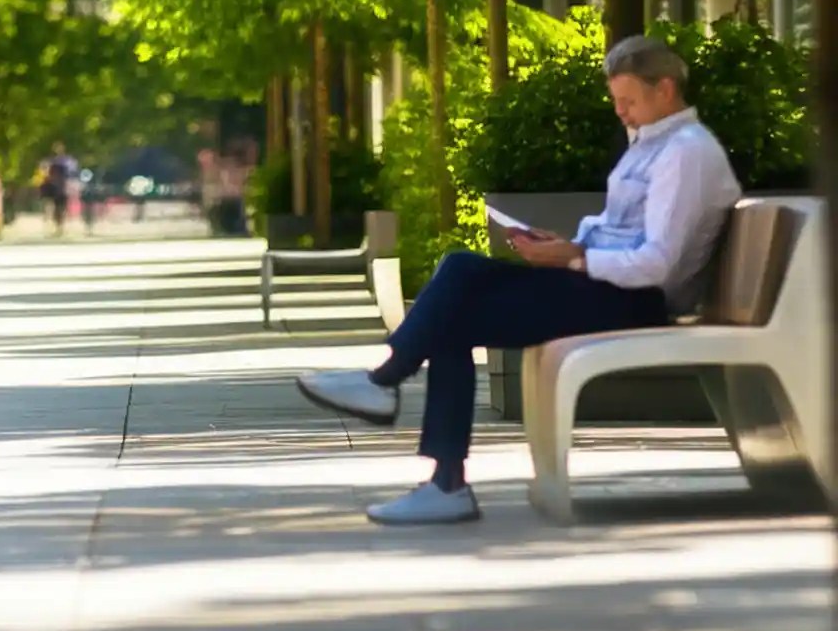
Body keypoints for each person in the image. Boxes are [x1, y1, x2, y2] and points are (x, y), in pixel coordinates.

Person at [296, 35, 743, 525]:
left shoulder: (686, 153)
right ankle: (428, 456)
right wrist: (569, 243)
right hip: (609, 287)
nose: (621, 112)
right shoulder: (653, 144)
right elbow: (623, 230)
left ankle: (396, 402)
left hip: (637, 301)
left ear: (665, 89)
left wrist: (573, 259)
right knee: (458, 280)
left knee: (458, 291)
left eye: (628, 100)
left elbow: (658, 262)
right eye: (616, 100)